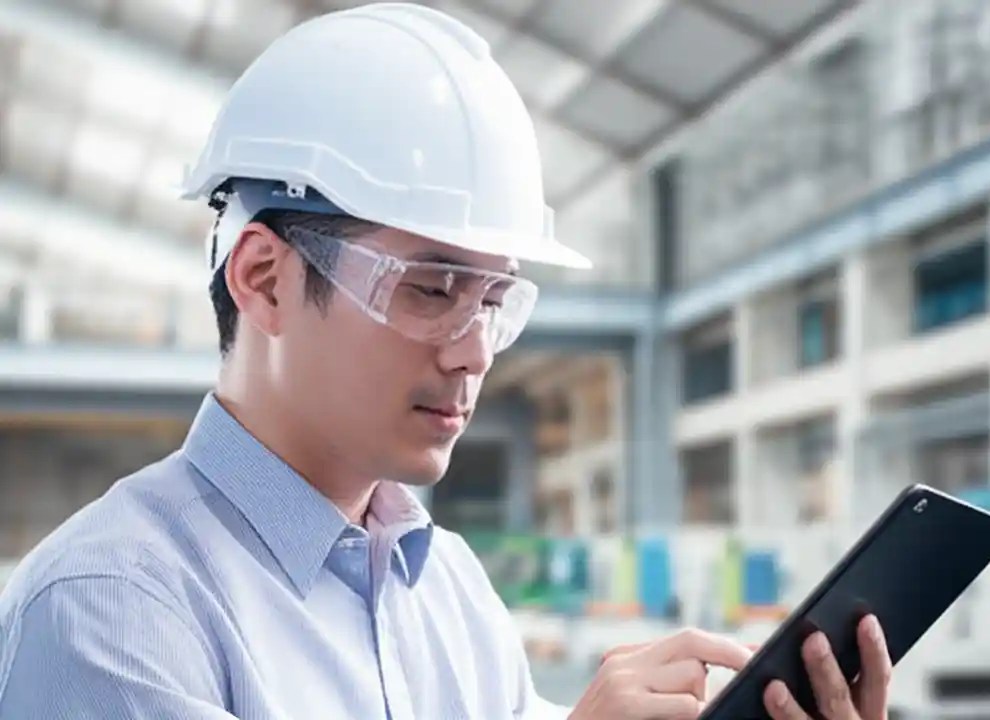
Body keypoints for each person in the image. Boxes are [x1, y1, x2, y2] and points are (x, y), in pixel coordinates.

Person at [0, 4, 891, 719]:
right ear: (264, 279)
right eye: (430, 289)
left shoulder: (448, 593)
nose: (474, 354)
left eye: (494, 302)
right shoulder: (114, 613)